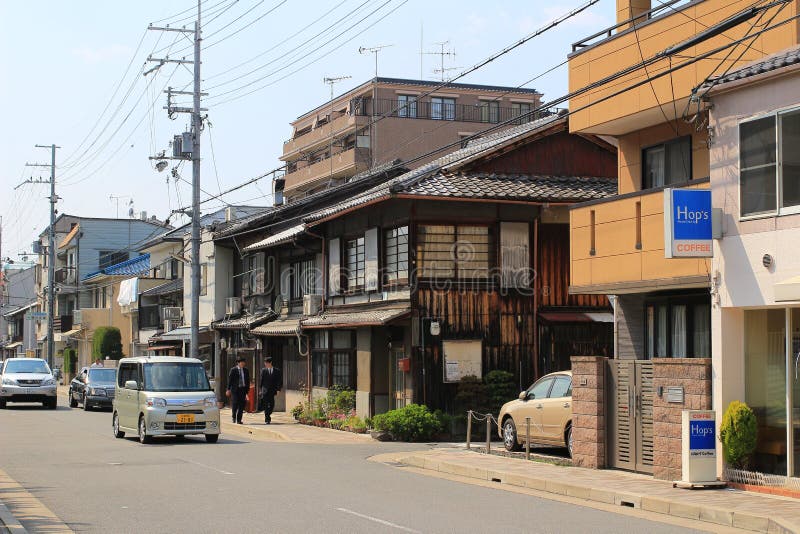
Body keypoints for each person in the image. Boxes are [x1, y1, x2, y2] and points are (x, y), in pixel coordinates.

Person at [259, 356, 282, 424]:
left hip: (272, 390)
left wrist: (278, 389)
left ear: (270, 363)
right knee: (266, 404)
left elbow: (279, 381)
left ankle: (269, 413)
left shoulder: (276, 371)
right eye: (265, 363)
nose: (266, 364)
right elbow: (261, 381)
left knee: (272, 404)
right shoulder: (263, 370)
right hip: (265, 390)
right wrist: (260, 390)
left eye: (267, 363)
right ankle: (267, 419)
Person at [226, 356, 250, 424]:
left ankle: (239, 419)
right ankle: (234, 417)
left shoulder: (246, 370)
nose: (243, 364)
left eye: (243, 362)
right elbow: (230, 380)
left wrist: (247, 390)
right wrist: (228, 389)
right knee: (235, 403)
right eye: (241, 362)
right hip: (235, 390)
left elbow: (247, 380)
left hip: (243, 389)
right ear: (238, 363)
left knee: (242, 404)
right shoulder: (233, 370)